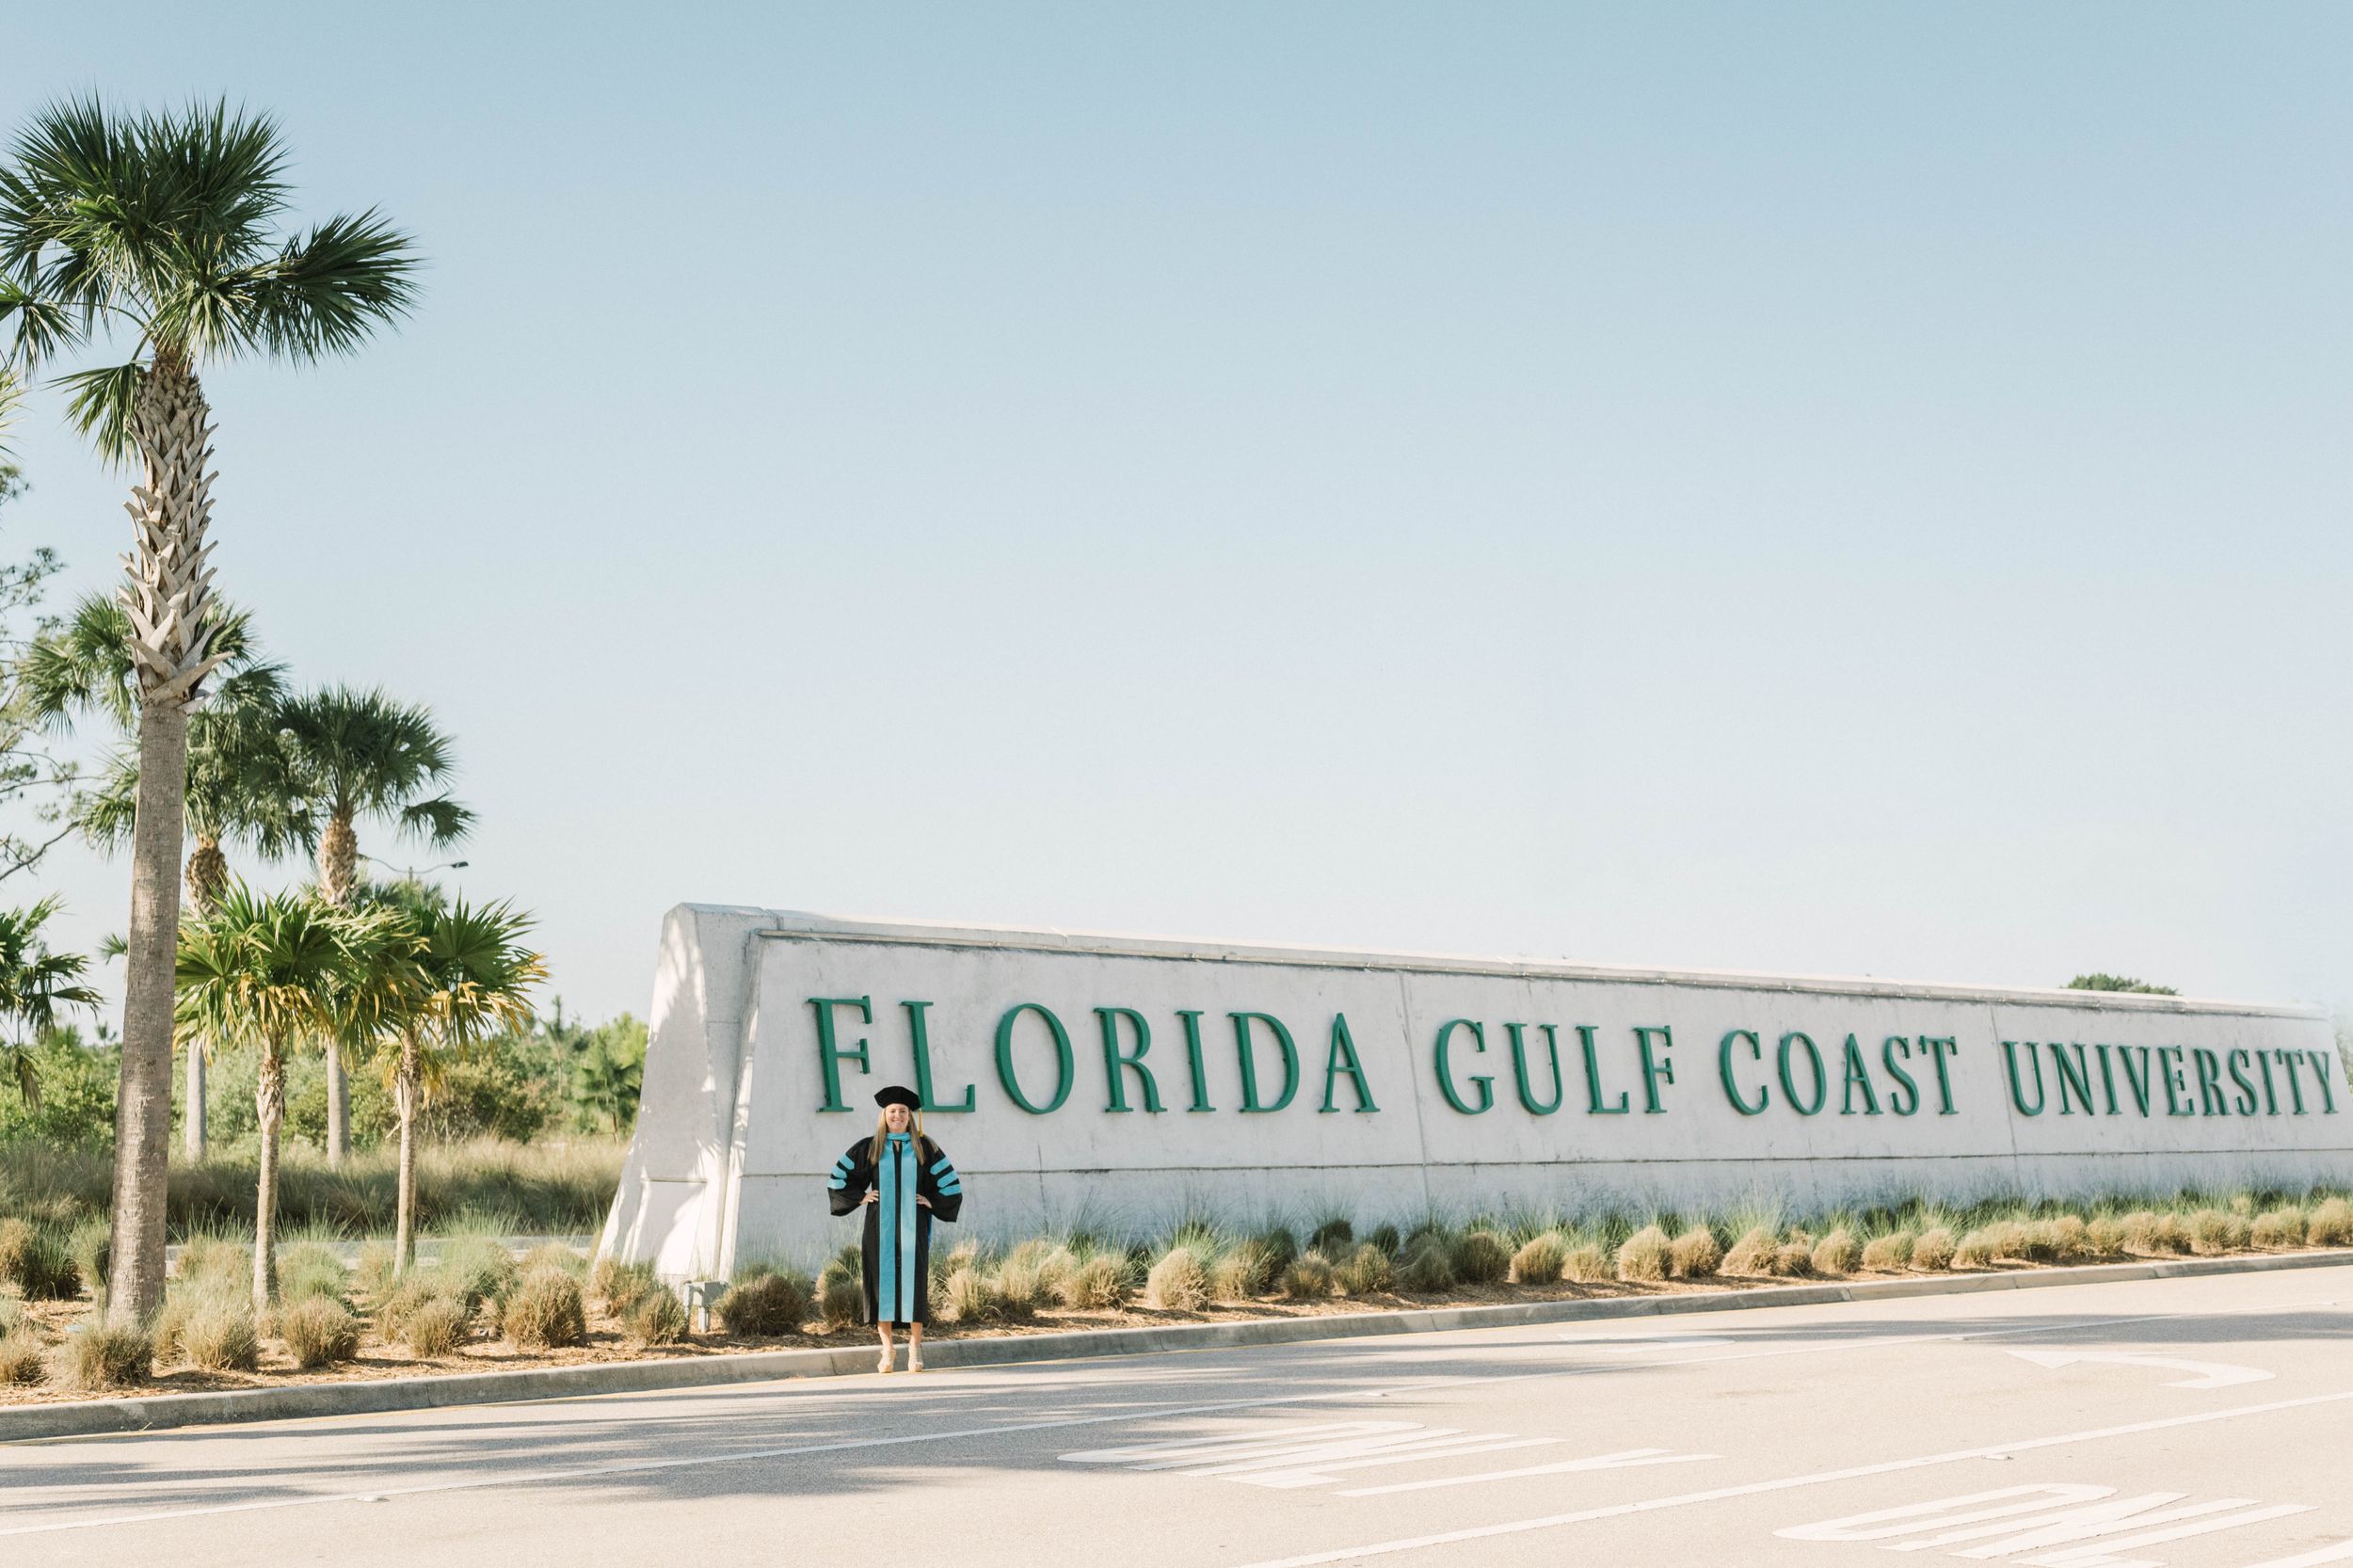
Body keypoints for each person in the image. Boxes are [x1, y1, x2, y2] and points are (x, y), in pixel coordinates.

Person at [827, 1084, 963, 1372]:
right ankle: (887, 1349)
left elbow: (949, 1183)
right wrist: (860, 1197)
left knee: (915, 1284)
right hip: (880, 1227)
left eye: (902, 1111)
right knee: (881, 1285)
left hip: (915, 1225)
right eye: (892, 1111)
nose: (897, 1115)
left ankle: (915, 1347)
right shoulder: (871, 1146)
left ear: (910, 1115)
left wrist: (932, 1201)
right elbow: (839, 1177)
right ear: (884, 1115)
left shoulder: (924, 1147)